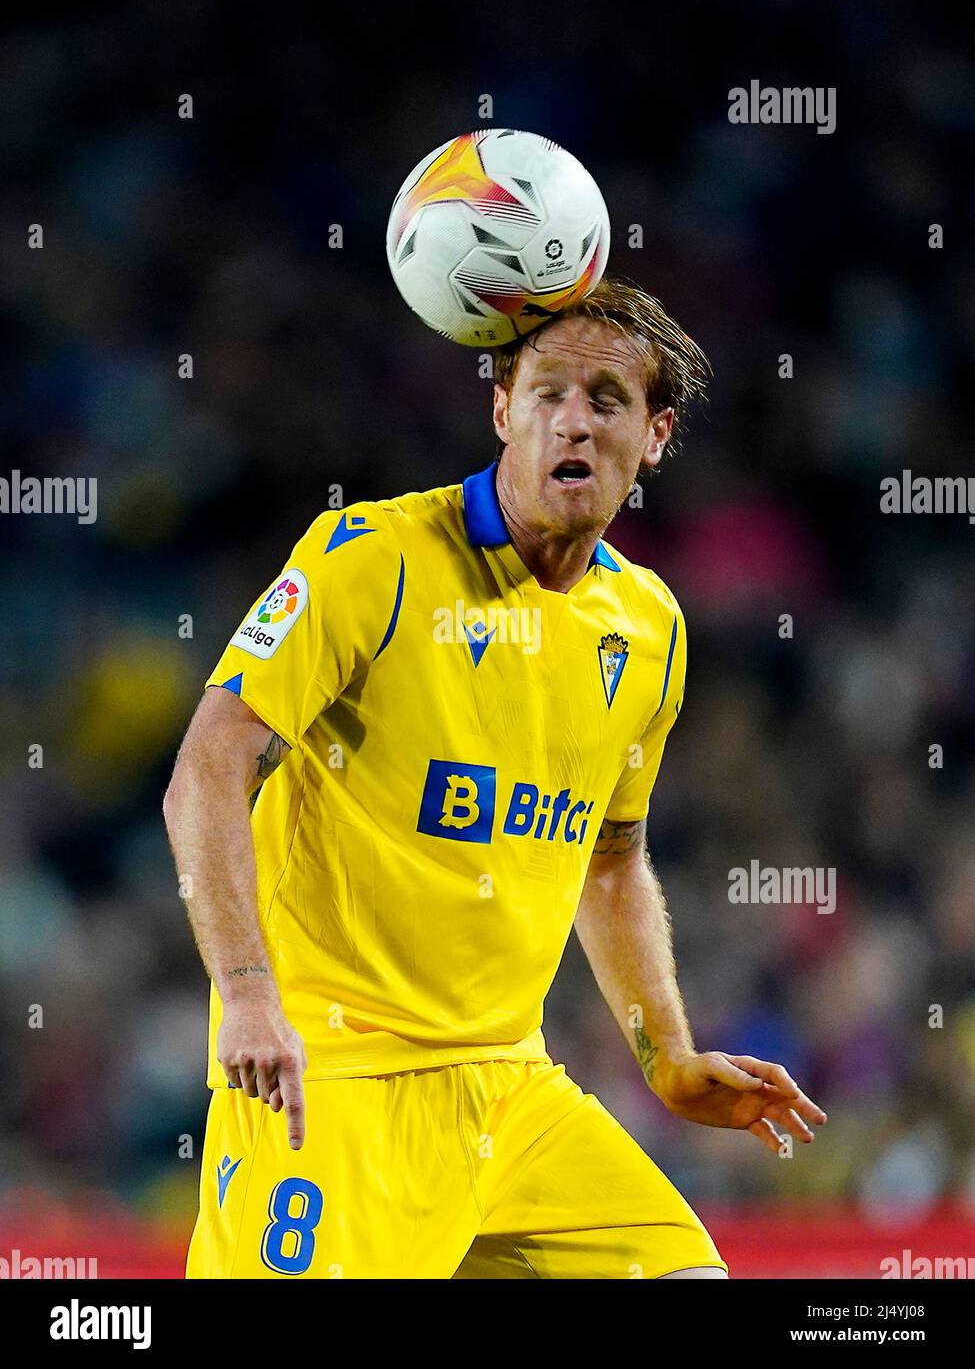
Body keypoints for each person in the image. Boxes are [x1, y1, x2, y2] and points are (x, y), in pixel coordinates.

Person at [164, 276, 826, 1279]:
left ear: (654, 436)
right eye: (548, 391)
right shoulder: (372, 557)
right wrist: (248, 996)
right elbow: (208, 765)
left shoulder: (649, 627)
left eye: (606, 402)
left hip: (512, 1089)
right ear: (501, 409)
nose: (573, 419)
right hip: (332, 1074)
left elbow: (610, 862)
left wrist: (669, 1056)